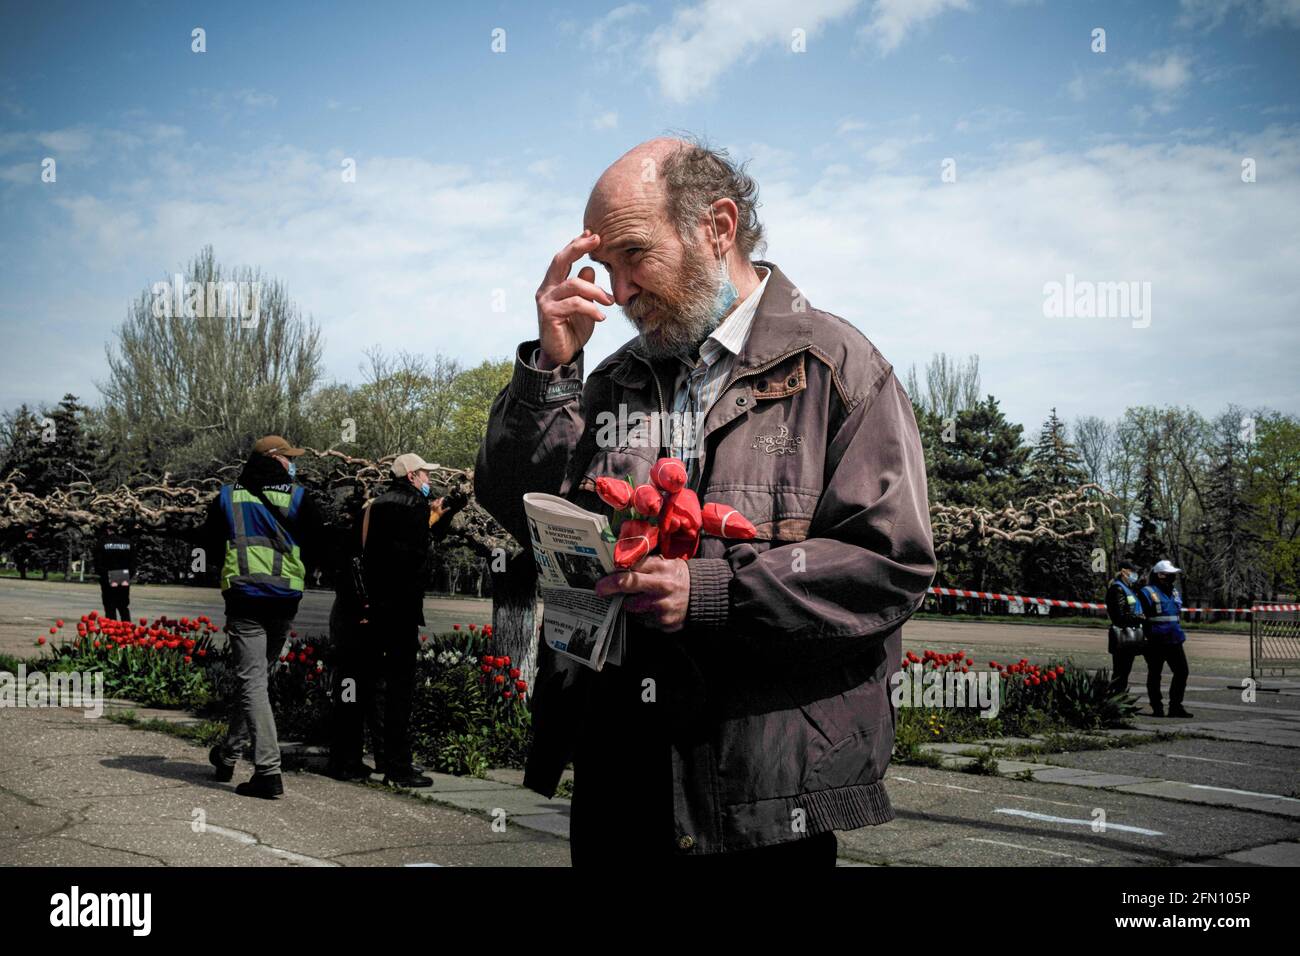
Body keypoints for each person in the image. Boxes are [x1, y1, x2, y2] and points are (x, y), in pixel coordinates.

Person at [475, 136, 937, 865]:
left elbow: (890, 563)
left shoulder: (838, 369)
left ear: (717, 228)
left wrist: (716, 591)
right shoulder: (615, 380)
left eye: (634, 255)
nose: (618, 292)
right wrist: (551, 374)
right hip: (619, 781)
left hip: (761, 797)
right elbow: (520, 506)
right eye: (607, 267)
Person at [195, 435, 327, 798]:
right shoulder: (299, 497)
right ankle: (228, 755)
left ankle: (268, 772)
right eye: (288, 458)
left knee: (252, 683)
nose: (292, 463)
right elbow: (319, 546)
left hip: (245, 601)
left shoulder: (227, 496)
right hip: (284, 602)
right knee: (255, 683)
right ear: (274, 458)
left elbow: (206, 544)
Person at [358, 452, 443, 788]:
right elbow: (419, 557)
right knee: (400, 689)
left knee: (375, 684)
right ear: (411, 476)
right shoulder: (416, 506)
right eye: (424, 474)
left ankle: (379, 755)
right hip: (403, 608)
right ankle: (399, 766)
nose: (427, 480)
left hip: (377, 605)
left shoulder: (375, 506)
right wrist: (434, 521)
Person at [1137, 559, 1193, 718]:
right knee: (1155, 674)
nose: (1173, 577)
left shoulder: (1174, 591)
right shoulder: (1147, 592)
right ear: (1160, 575)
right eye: (1170, 574)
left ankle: (1175, 706)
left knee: (1182, 672)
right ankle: (1157, 707)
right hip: (1155, 641)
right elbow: (1141, 617)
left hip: (1175, 640)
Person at [1105, 559, 1145, 695]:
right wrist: (1140, 617)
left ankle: (1118, 698)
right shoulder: (1117, 588)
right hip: (1123, 635)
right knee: (1120, 672)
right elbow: (1118, 616)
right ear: (1124, 572)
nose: (1135, 574)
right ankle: (1114, 700)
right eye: (1132, 571)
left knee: (1124, 672)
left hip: (1130, 635)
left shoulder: (1129, 589)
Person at [94, 525, 135, 621]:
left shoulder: (102, 543)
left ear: (108, 531)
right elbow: (132, 563)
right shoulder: (128, 543)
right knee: (123, 606)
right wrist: (128, 575)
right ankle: (126, 630)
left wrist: (104, 576)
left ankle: (112, 632)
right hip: (123, 575)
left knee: (110, 607)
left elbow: (97, 563)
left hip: (108, 575)